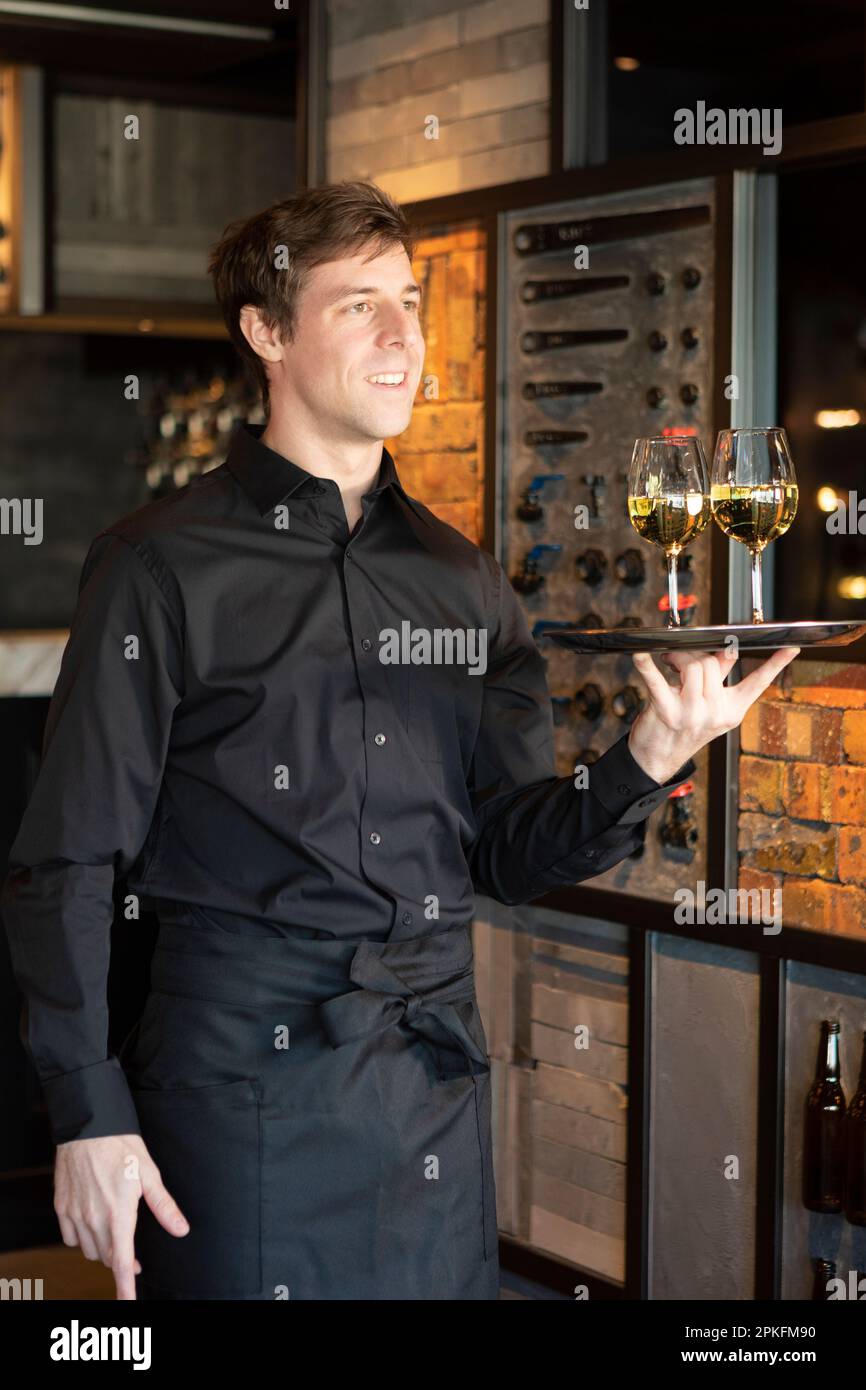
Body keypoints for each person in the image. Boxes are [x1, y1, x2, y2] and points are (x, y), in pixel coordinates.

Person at [0, 179, 798, 1301]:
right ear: (266, 333)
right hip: (239, 1088)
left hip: (427, 1083)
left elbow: (507, 856)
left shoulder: (463, 579)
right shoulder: (159, 567)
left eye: (411, 302)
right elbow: (67, 860)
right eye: (356, 304)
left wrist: (648, 758)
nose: (402, 337)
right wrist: (87, 1111)